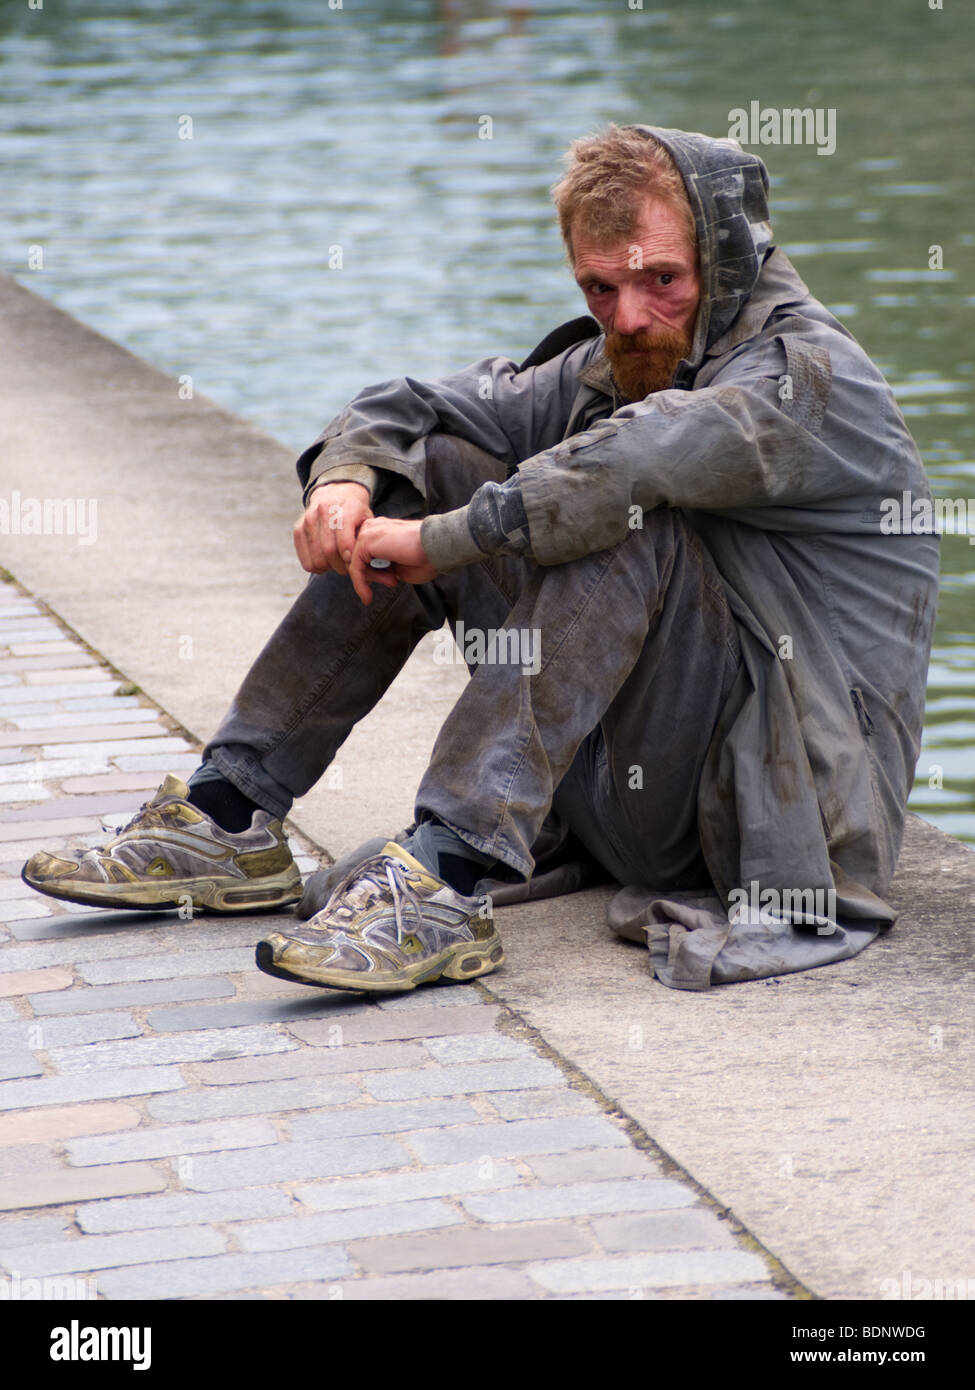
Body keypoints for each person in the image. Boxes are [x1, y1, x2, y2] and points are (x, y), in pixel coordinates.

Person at [22, 124, 940, 993]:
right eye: (598, 288)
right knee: (434, 467)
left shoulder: (808, 380)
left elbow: (621, 467)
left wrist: (432, 544)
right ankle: (228, 814)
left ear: (727, 258)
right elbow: (419, 403)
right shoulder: (616, 356)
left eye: (662, 278)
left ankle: (448, 875)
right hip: (627, 799)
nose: (628, 318)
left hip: (765, 817)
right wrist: (342, 485)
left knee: (615, 514)